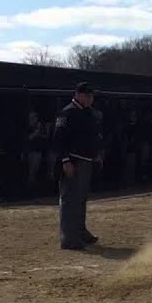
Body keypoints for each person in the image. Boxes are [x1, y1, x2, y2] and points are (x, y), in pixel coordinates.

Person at [53, 82, 102, 250]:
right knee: (69, 200)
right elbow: (59, 140)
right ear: (78, 94)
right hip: (73, 161)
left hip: (86, 160)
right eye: (87, 95)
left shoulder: (88, 113)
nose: (90, 99)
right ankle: (68, 238)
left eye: (92, 96)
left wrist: (96, 154)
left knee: (80, 199)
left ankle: (80, 231)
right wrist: (65, 161)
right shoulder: (67, 113)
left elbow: (91, 137)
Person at [25, 111, 49, 187]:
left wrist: (47, 129)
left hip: (41, 149)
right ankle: (30, 180)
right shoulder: (27, 127)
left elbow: (45, 137)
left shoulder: (40, 126)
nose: (34, 119)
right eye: (32, 117)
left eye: (35, 117)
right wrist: (37, 130)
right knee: (36, 157)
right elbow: (29, 138)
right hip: (30, 151)